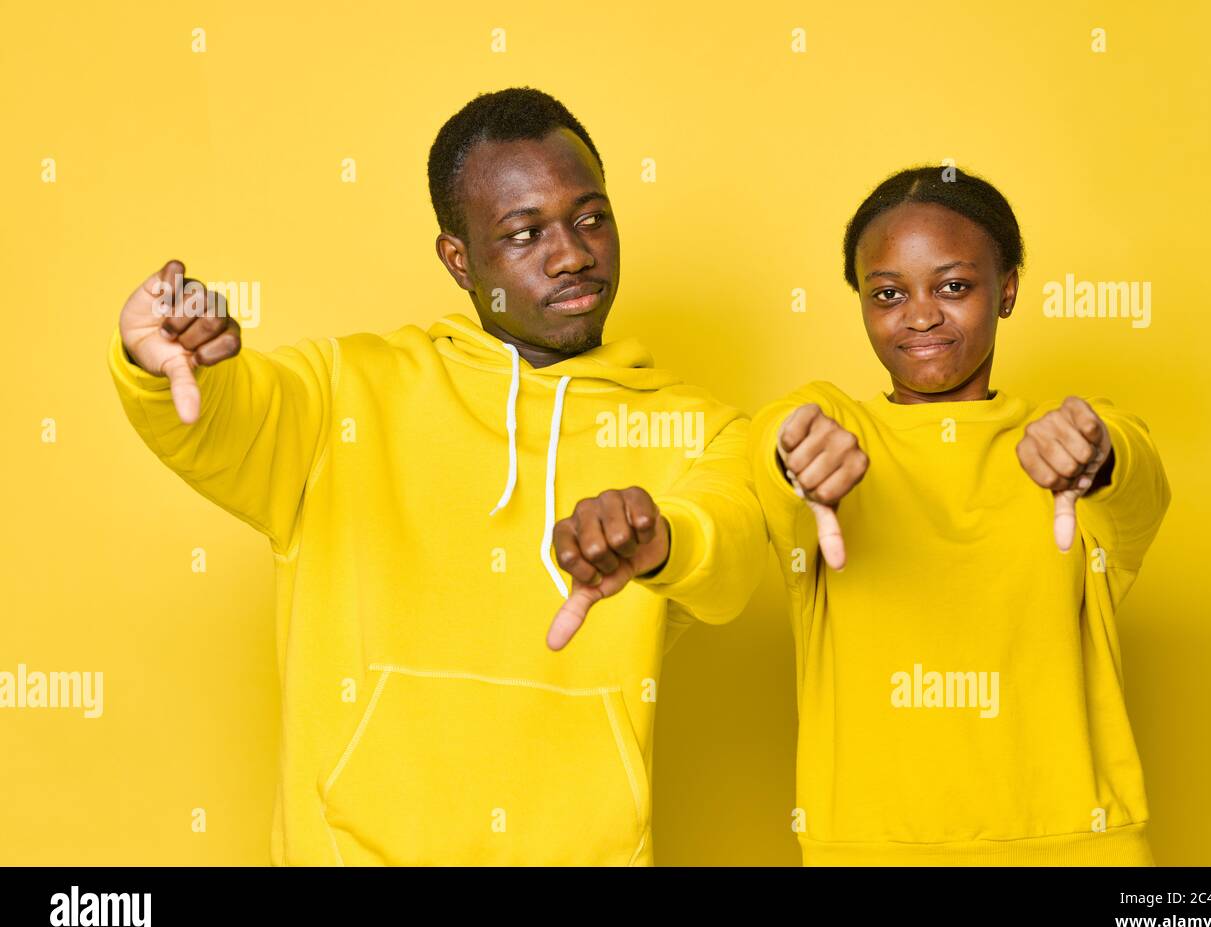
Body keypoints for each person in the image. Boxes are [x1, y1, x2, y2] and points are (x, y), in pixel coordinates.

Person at [108, 87, 767, 866]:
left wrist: (658, 542)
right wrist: (162, 363)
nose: (572, 254)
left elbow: (729, 562)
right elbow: (221, 419)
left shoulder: (693, 427)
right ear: (459, 260)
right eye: (525, 234)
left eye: (591, 217)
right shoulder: (344, 390)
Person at [748, 165, 1172, 866]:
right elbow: (773, 443)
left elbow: (1139, 479)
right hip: (870, 849)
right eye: (888, 294)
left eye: (953, 286)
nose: (920, 316)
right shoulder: (835, 428)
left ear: (1006, 289)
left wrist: (1097, 456)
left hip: (1077, 846)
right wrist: (797, 456)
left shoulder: (1068, 441)